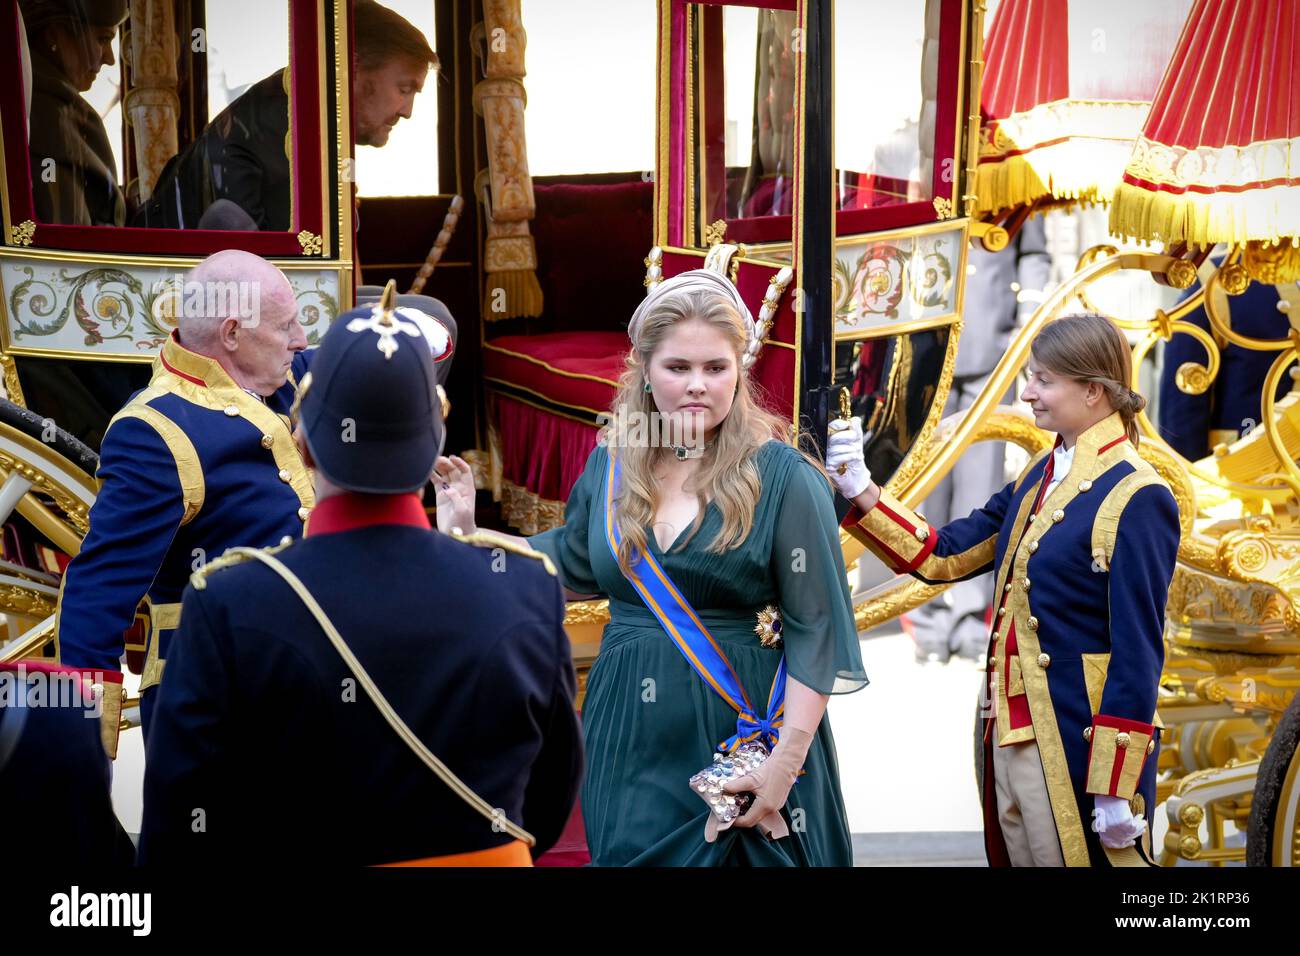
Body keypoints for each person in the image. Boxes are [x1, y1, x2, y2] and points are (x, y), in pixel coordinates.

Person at [438, 269, 868, 866]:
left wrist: (782, 767)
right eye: (678, 368)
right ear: (644, 371)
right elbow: (569, 562)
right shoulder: (612, 467)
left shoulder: (786, 477)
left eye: (716, 368)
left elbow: (818, 628)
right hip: (627, 735)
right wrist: (466, 538)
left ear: (739, 371)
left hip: (746, 733)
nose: (698, 386)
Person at [138, 290, 582, 866]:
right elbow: (546, 802)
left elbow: (182, 824)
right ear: (436, 445)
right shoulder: (524, 585)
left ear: (301, 444)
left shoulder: (228, 599)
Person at [832, 313, 1179, 866]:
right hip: (1009, 727)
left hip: (1074, 738)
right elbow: (945, 555)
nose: (1028, 393)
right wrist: (863, 489)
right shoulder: (1041, 472)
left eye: (1043, 380)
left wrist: (1116, 782)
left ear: (1093, 391)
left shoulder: (1140, 495)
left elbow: (1139, 649)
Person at [134, 1, 436, 230]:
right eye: (405, 88)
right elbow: (257, 297)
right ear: (351, 67)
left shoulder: (315, 133)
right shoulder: (245, 145)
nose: (407, 112)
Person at [910, 216, 1050, 663]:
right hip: (926, 346)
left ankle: (970, 615)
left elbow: (1032, 254)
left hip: (992, 346)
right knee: (926, 483)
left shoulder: (1017, 175)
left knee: (981, 483)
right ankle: (925, 610)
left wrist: (1026, 323)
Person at [21, 0, 128, 226]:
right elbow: (70, 238)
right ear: (54, 35)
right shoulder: (51, 116)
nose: (109, 58)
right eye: (103, 39)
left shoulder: (43, 106)